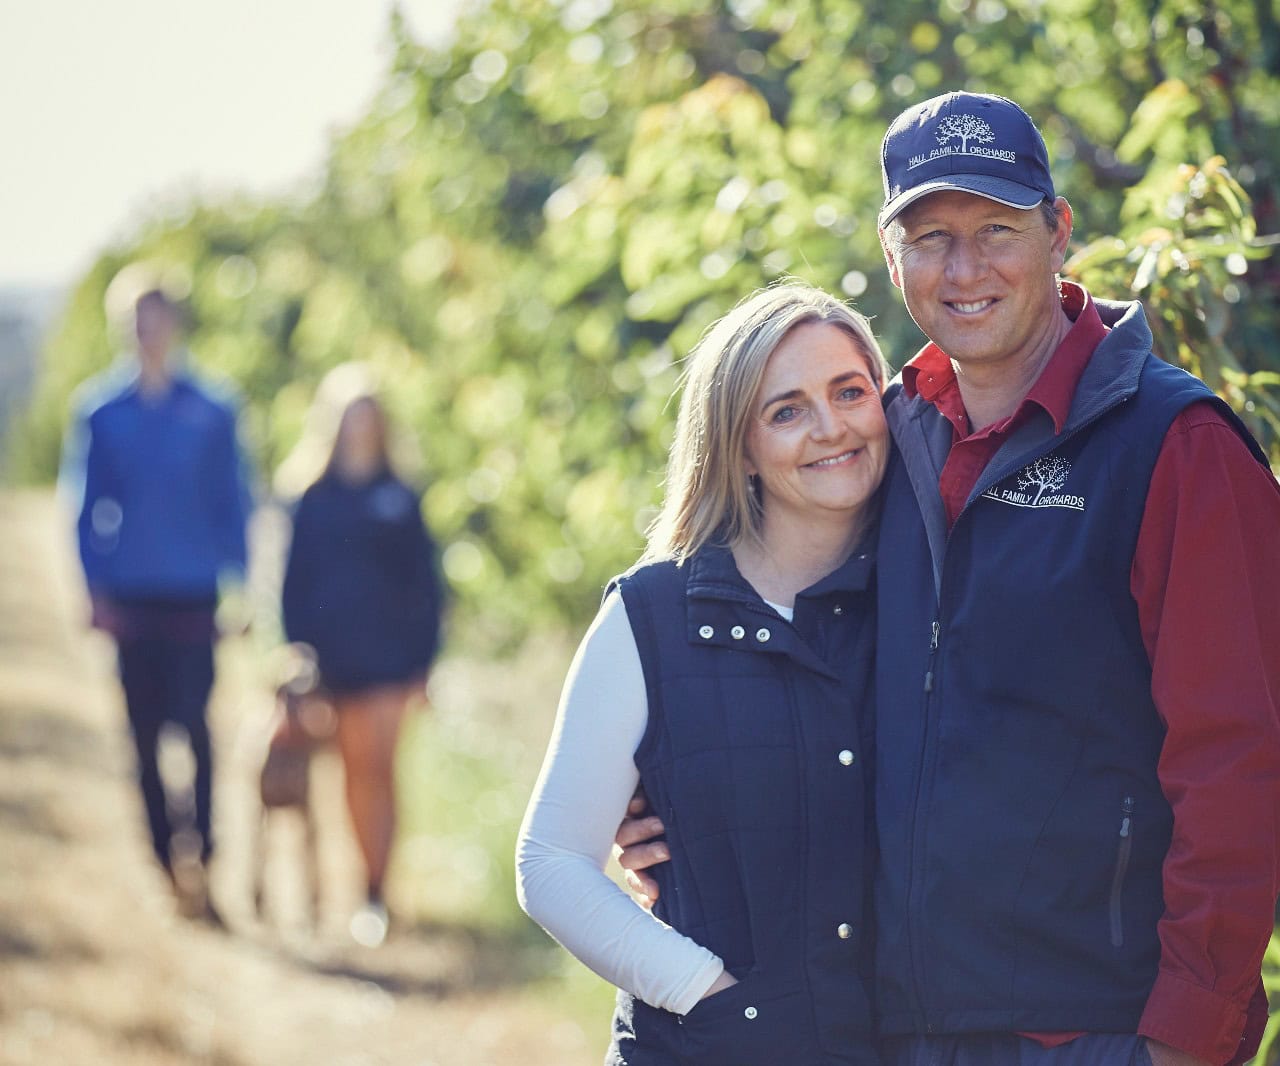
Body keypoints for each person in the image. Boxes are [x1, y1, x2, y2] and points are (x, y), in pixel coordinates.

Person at [617, 92, 1280, 1066]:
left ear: (1057, 231)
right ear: (892, 259)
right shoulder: (884, 440)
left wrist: (1187, 1036)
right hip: (886, 1029)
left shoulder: (1172, 447)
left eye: (995, 231)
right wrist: (677, 809)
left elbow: (1236, 761)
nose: (963, 271)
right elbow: (786, 656)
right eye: (929, 238)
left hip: (1090, 1032)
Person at [517, 282, 890, 1065]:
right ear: (738, 444)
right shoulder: (652, 616)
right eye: (785, 410)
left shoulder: (931, 599)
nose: (831, 427)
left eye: (849, 391)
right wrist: (712, 999)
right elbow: (551, 862)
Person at [60, 282, 252, 923]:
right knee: (143, 735)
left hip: (193, 591)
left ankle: (206, 849)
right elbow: (85, 509)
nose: (148, 332)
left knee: (194, 726)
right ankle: (166, 860)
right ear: (123, 327)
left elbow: (234, 500)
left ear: (174, 323)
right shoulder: (100, 409)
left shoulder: (213, 408)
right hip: (131, 594)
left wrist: (242, 584)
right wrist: (93, 590)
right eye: (136, 322)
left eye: (157, 319)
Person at [280, 387, 443, 946]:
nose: (360, 430)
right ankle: (359, 882)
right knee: (353, 774)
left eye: (369, 419)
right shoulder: (312, 497)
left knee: (382, 770)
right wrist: (297, 652)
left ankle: (378, 890)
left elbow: (428, 587)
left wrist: (425, 663)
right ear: (334, 425)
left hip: (393, 663)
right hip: (335, 662)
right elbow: (292, 584)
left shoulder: (400, 496)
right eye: (351, 419)